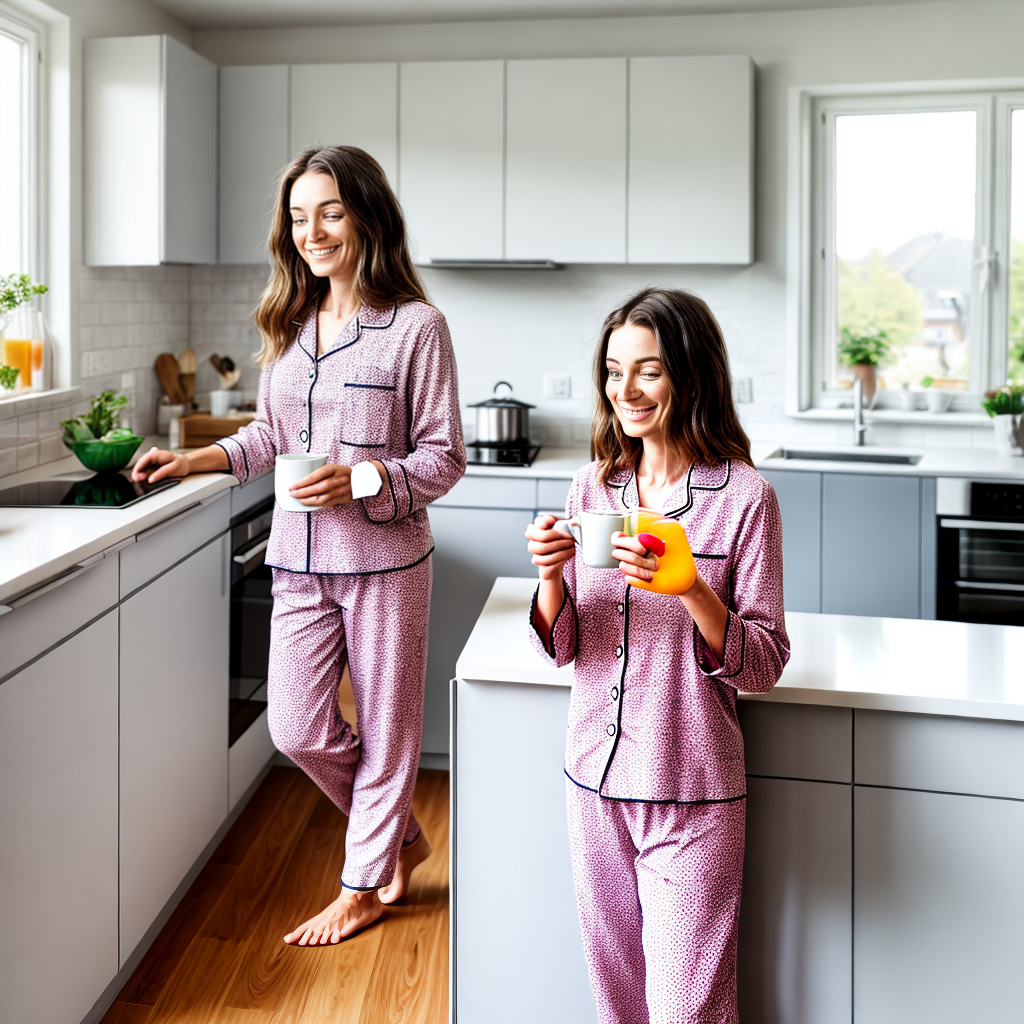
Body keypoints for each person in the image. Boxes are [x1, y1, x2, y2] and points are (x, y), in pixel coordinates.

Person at [133, 145, 465, 945]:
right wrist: (196, 459)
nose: (312, 231)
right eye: (297, 216)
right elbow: (269, 438)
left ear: (365, 217)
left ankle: (360, 887)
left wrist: (361, 480)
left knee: (388, 732)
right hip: (299, 561)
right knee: (296, 728)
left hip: (385, 563)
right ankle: (398, 841)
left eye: (329, 212)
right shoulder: (290, 323)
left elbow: (443, 458)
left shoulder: (417, 327)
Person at [524, 288, 789, 1024]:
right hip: (594, 786)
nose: (626, 391)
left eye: (648, 371)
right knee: (619, 1007)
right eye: (614, 371)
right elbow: (572, 642)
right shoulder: (595, 485)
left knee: (686, 1012)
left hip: (691, 790)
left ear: (690, 376)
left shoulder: (744, 499)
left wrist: (695, 592)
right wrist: (550, 577)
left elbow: (764, 661)